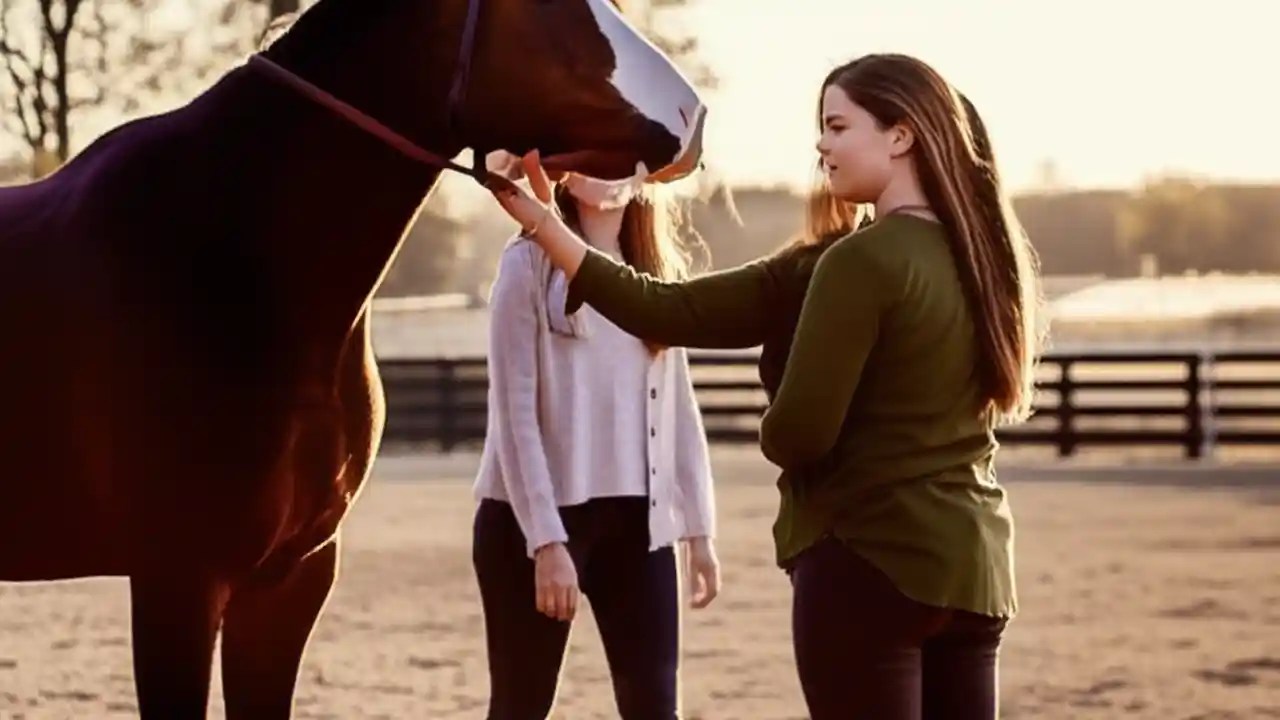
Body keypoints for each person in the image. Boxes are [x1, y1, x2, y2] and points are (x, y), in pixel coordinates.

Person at [484, 53, 1044, 720]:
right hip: (976, 570)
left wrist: (780, 381)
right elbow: (666, 308)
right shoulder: (985, 260)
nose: (821, 144)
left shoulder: (855, 263)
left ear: (901, 136)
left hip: (870, 563)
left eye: (838, 126)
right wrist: (547, 227)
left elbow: (796, 437)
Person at [471, 156, 722, 720]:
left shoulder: (654, 271)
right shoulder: (525, 264)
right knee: (520, 706)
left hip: (641, 524)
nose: (606, 165)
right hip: (532, 522)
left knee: (656, 707)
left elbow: (678, 404)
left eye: (619, 152)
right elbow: (514, 413)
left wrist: (698, 528)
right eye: (590, 151)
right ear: (561, 168)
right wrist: (546, 541)